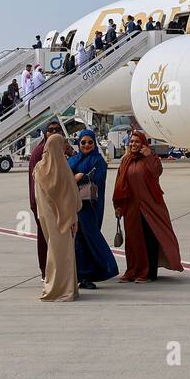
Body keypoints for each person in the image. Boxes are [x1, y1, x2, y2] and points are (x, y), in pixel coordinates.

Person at [112, 130, 183, 283]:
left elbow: (156, 172)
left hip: (150, 206)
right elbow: (119, 183)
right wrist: (118, 205)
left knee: (149, 238)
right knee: (133, 240)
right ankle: (132, 270)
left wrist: (149, 155)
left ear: (144, 143)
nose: (133, 144)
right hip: (131, 207)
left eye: (137, 142)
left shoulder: (151, 158)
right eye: (131, 142)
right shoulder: (126, 160)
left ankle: (148, 272)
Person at [33, 131, 81, 302]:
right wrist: (73, 218)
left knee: (53, 253)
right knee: (65, 254)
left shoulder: (39, 169)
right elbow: (70, 197)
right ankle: (65, 289)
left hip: (47, 219)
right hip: (65, 219)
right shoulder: (62, 169)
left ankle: (54, 286)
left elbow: (38, 197)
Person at [69, 129, 118, 289]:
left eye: (90, 142)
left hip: (89, 207)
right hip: (73, 207)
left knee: (89, 239)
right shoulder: (73, 159)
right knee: (77, 241)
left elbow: (97, 181)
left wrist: (81, 177)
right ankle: (79, 274)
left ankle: (98, 271)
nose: (86, 145)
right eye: (83, 142)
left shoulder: (98, 161)